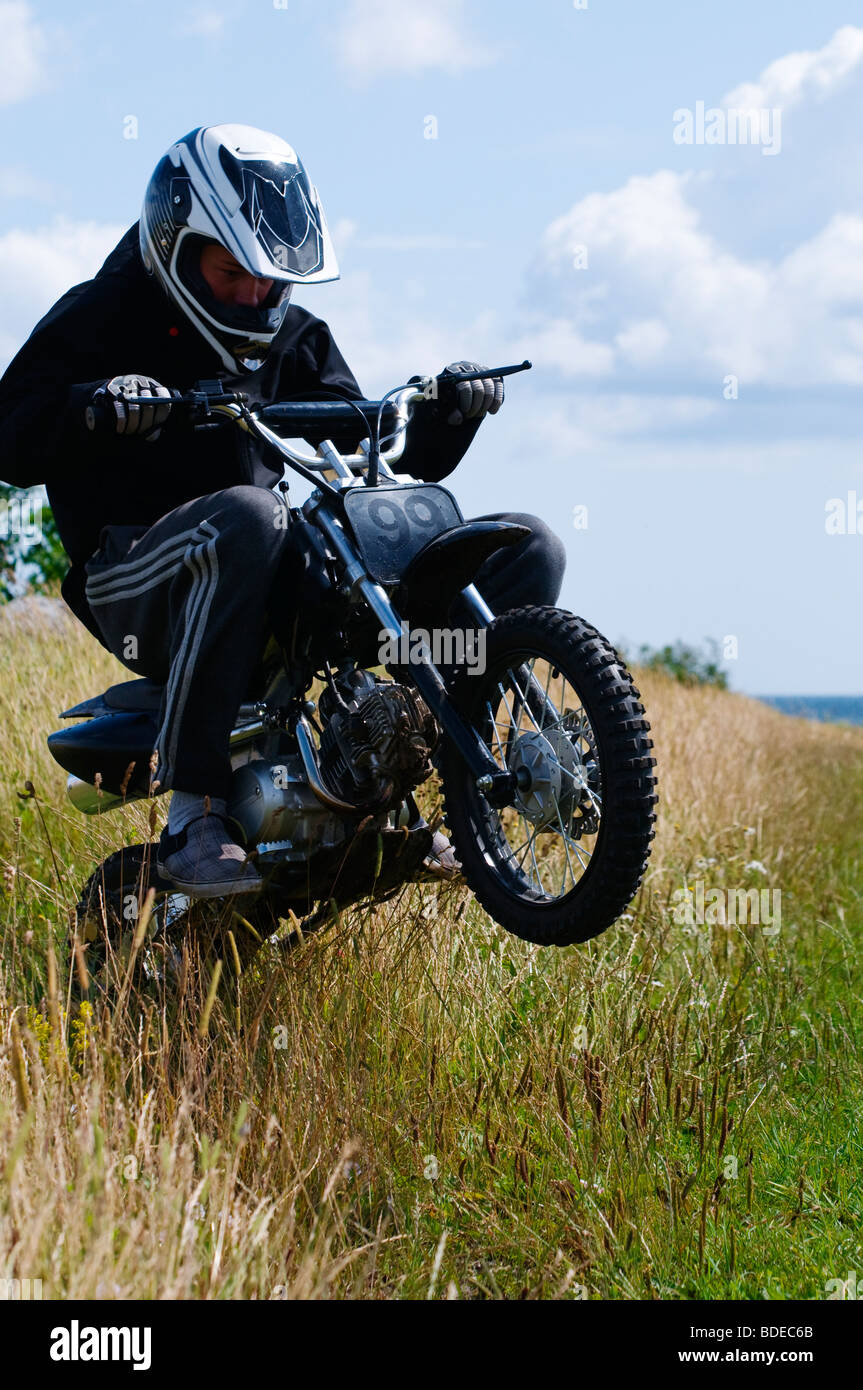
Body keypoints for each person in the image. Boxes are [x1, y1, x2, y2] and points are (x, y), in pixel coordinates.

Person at [0, 124, 566, 897]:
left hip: (260, 573)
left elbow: (373, 439)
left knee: (526, 546)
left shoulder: (286, 331)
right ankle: (193, 817)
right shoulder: (97, 317)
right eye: (231, 272)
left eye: (269, 278)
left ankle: (446, 774)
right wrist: (95, 408)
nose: (254, 294)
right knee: (249, 514)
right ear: (177, 243)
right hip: (136, 580)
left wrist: (448, 413)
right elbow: (9, 439)